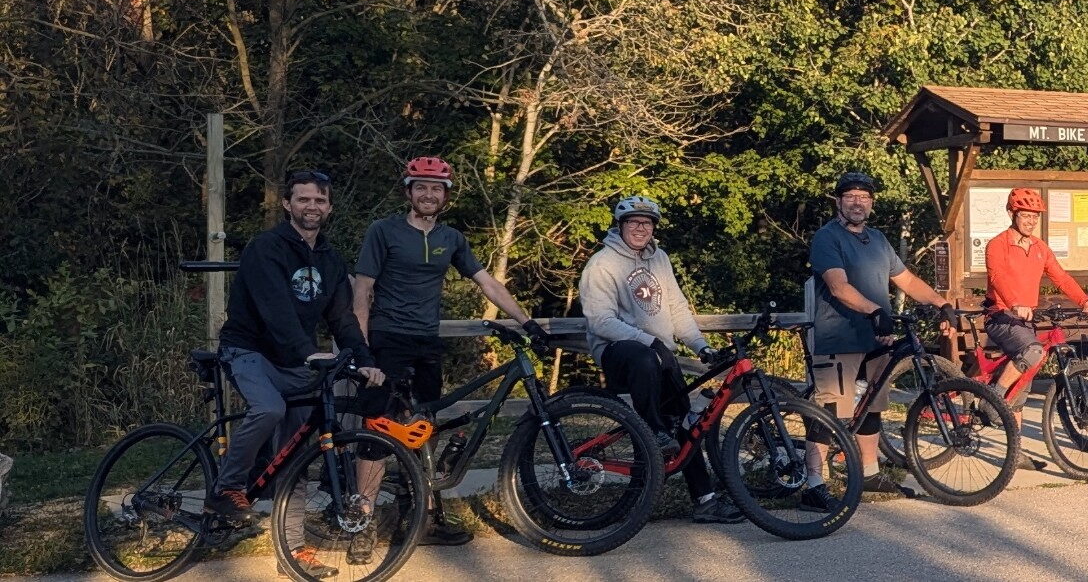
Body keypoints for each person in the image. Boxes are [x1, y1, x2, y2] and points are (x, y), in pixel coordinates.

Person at [352, 156, 547, 545]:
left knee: (426, 425)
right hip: (388, 339)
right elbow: (361, 293)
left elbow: (487, 283)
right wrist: (362, 352)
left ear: (446, 196)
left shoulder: (451, 238)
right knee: (377, 427)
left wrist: (526, 322)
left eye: (436, 189)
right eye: (421, 187)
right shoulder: (383, 231)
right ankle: (363, 520)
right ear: (409, 191)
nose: (428, 194)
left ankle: (424, 516)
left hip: (427, 341)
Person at [211, 169, 386, 577]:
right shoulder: (266, 248)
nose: (312, 206)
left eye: (319, 200)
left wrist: (364, 359)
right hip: (249, 349)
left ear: (329, 207)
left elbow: (343, 319)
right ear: (288, 204)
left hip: (295, 360)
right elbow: (276, 311)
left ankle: (292, 552)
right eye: (303, 199)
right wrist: (309, 353)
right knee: (269, 409)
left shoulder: (329, 259)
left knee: (295, 455)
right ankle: (226, 488)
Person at [578, 195, 744, 524]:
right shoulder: (602, 264)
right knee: (643, 357)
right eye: (633, 222)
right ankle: (653, 431)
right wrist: (650, 341)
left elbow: (676, 309)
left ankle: (706, 500)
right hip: (618, 352)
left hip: (659, 355)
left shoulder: (660, 259)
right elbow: (600, 322)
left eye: (647, 223)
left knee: (685, 423)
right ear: (620, 225)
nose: (641, 228)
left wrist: (700, 346)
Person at [807, 171, 955, 503]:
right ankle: (813, 484)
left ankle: (870, 474)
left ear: (872, 203)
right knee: (830, 410)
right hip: (839, 337)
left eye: (864, 197)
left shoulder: (877, 239)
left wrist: (941, 303)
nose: (857, 203)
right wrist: (876, 311)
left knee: (872, 405)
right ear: (838, 201)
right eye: (850, 197)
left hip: (876, 339)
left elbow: (908, 281)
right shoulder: (827, 237)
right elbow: (838, 287)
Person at [981, 188, 1088, 403]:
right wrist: (1015, 304)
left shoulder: (1040, 247)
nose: (1031, 222)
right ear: (1011, 213)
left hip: (1025, 320)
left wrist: (1086, 301)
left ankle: (1009, 419)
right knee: (1033, 351)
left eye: (1035, 217)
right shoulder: (997, 245)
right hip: (1001, 316)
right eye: (1026, 215)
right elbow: (997, 277)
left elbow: (1061, 278)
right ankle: (994, 399)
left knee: (1021, 391)